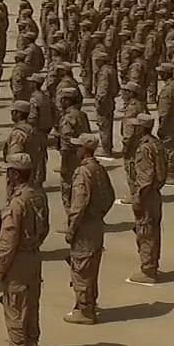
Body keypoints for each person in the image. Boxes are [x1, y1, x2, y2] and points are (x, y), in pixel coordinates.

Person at [0, 152, 47, 346]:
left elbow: (9, 239)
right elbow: (45, 227)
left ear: (15, 174)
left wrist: (1, 268)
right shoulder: (38, 195)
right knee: (31, 305)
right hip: (34, 256)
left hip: (18, 259)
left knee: (15, 307)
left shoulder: (17, 203)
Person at [63, 133, 113, 325]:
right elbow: (109, 196)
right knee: (91, 268)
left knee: (82, 269)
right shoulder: (99, 169)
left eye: (78, 147)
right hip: (96, 224)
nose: (76, 150)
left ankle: (85, 311)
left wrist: (71, 229)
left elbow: (79, 204)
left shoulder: (83, 172)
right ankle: (88, 303)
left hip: (84, 227)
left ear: (84, 149)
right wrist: (99, 214)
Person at [125, 113, 162, 284]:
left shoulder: (145, 148)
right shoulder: (155, 143)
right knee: (153, 231)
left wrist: (138, 200)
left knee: (145, 232)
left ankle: (148, 270)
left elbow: (145, 178)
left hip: (147, 195)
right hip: (154, 193)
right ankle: (152, 264)